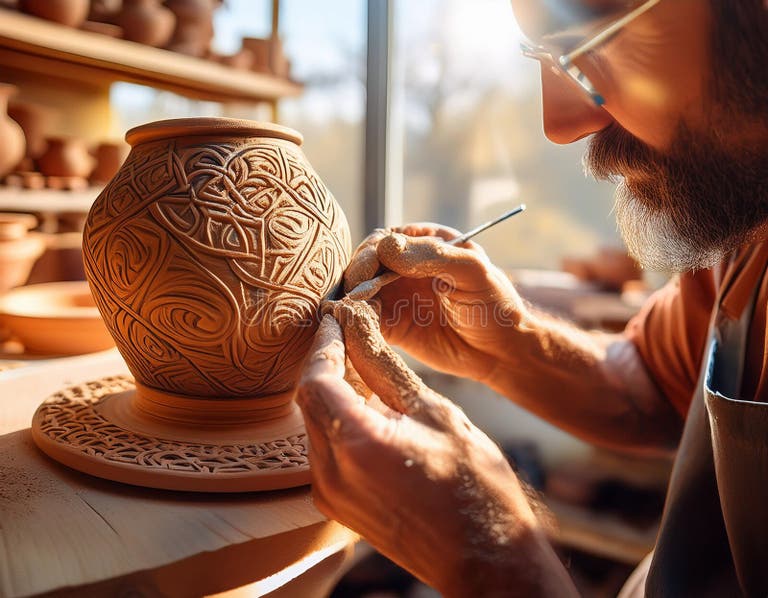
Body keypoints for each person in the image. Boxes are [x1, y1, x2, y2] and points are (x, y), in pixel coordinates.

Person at [296, 0, 768, 596]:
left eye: (586, 49)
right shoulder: (748, 226)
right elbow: (655, 387)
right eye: (544, 56)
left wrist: (499, 564)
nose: (560, 124)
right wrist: (507, 343)